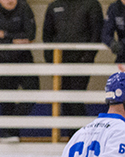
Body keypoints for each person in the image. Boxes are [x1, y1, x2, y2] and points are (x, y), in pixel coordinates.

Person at [0, 0, 37, 143]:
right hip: (0, 61)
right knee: (6, 100)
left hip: (23, 60)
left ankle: (10, 129)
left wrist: (4, 34)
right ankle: (9, 135)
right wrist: (14, 39)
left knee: (33, 92)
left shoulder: (24, 7)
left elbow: (30, 35)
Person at [42, 0, 103, 129]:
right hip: (59, 62)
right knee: (65, 101)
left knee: (76, 98)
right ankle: (72, 138)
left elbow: (96, 33)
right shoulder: (54, 6)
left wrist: (87, 57)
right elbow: (47, 35)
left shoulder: (91, 4)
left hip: (81, 61)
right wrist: (50, 60)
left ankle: (83, 136)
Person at [104, 0, 125, 64]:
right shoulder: (114, 7)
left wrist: (122, 43)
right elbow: (106, 33)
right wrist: (112, 43)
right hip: (122, 57)